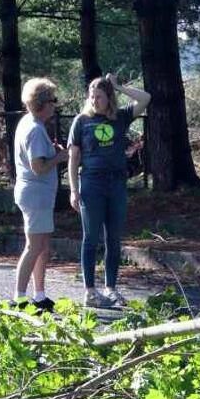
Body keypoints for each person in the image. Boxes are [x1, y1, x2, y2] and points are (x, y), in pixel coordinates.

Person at [68, 74, 150, 308]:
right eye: (92, 96)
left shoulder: (120, 117)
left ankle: (111, 288)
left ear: (108, 98)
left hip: (116, 184)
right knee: (90, 238)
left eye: (100, 97)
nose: (94, 101)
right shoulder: (81, 121)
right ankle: (90, 291)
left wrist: (118, 86)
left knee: (113, 238)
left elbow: (146, 98)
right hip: (91, 183)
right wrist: (74, 190)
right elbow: (74, 158)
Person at [12, 77, 61, 311]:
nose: (55, 105)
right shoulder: (34, 129)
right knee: (34, 246)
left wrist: (53, 155)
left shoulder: (29, 123)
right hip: (36, 194)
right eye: (53, 100)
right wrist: (61, 158)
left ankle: (39, 294)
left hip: (36, 194)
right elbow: (38, 166)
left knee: (42, 246)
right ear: (42, 103)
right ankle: (19, 296)